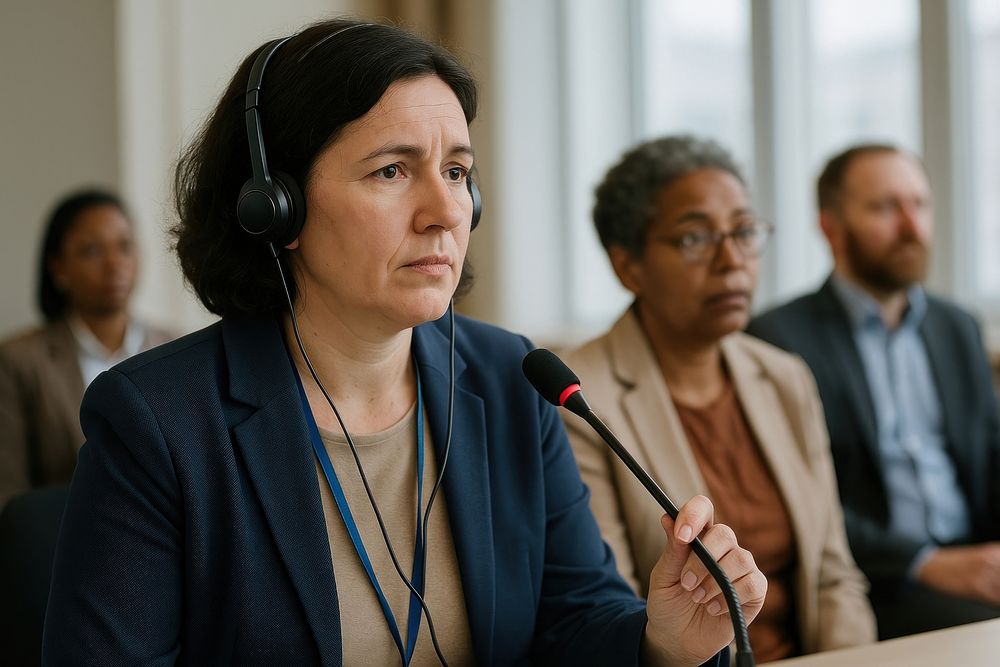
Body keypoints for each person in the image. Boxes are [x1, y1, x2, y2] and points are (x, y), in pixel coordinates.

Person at [43, 20, 766, 665]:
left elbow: (571, 621)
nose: (447, 209)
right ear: (276, 209)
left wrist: (660, 642)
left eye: (457, 171)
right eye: (392, 170)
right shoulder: (157, 421)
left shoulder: (512, 377)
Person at [560, 136, 876, 663]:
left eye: (744, 232)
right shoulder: (581, 402)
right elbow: (612, 604)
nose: (732, 260)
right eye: (694, 239)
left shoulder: (784, 376)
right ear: (628, 266)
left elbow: (833, 574)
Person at [747, 143, 1000, 639]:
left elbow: (991, 460)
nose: (912, 227)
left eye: (920, 205)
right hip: (873, 582)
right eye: (885, 207)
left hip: (975, 558)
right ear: (830, 226)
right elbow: (797, 501)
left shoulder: (958, 327)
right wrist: (925, 562)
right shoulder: (777, 340)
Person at [0, 189, 173, 508]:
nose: (114, 264)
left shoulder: (176, 349)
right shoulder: (17, 361)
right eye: (92, 251)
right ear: (59, 269)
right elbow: (8, 494)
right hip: (58, 546)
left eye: (124, 246)